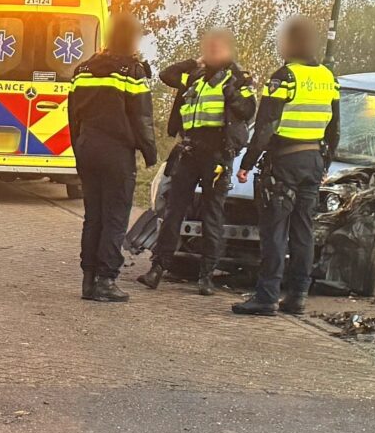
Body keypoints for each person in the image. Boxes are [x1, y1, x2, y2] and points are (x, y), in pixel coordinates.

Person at [230, 16, 339, 317]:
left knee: (275, 231)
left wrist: (247, 164)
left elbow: (265, 126)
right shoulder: (329, 78)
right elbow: (335, 129)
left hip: (285, 162)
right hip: (313, 161)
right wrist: (324, 163)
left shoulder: (284, 78)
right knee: (304, 230)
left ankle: (266, 297)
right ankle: (297, 297)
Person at [139, 29, 250, 294]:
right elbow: (167, 74)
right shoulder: (195, 77)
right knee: (173, 211)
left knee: (212, 215)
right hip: (189, 153)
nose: (212, 52)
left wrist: (233, 89)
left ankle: (206, 276)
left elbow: (248, 110)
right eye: (209, 48)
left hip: (217, 156)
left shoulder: (237, 78)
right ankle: (157, 268)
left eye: (218, 48)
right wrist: (195, 62)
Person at [66, 17, 157, 303]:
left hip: (88, 148)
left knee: (93, 216)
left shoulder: (83, 70)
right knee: (115, 217)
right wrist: (150, 152)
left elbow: (73, 116)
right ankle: (106, 281)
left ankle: (89, 279)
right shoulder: (131, 71)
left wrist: (78, 147)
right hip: (116, 153)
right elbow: (142, 117)